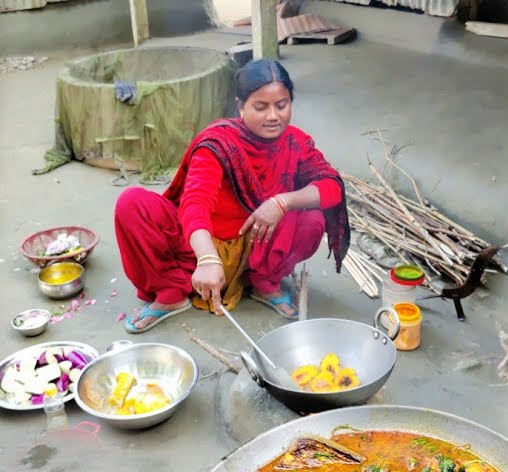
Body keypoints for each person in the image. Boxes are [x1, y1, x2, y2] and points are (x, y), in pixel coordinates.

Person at [114, 59, 349, 333]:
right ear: (240, 107)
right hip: (199, 252)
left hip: (257, 248)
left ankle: (265, 283)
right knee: (131, 203)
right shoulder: (219, 143)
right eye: (261, 107)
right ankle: (171, 293)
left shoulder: (295, 142)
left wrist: (281, 202)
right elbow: (195, 203)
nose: (273, 116)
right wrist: (207, 258)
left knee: (312, 216)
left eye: (282, 105)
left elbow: (332, 186)